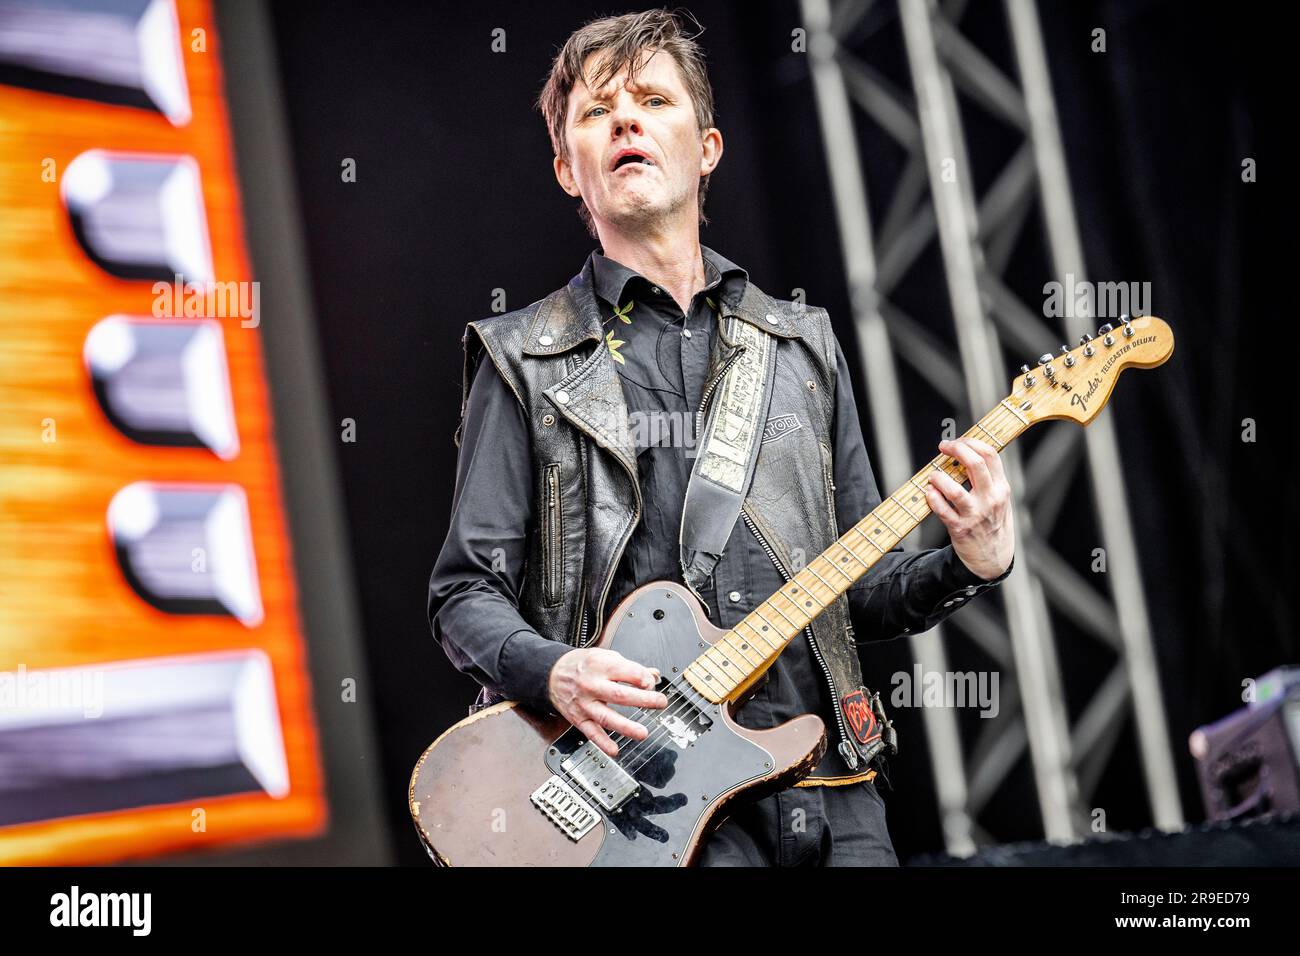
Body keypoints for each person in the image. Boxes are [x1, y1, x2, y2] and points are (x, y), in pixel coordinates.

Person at [427, 8, 1014, 866]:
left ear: (707, 148)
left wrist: (970, 561)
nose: (625, 119)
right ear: (567, 171)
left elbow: (860, 589)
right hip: (649, 812)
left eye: (653, 99)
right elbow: (461, 596)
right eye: (597, 111)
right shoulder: (523, 359)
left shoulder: (800, 343)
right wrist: (553, 669)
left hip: (832, 788)